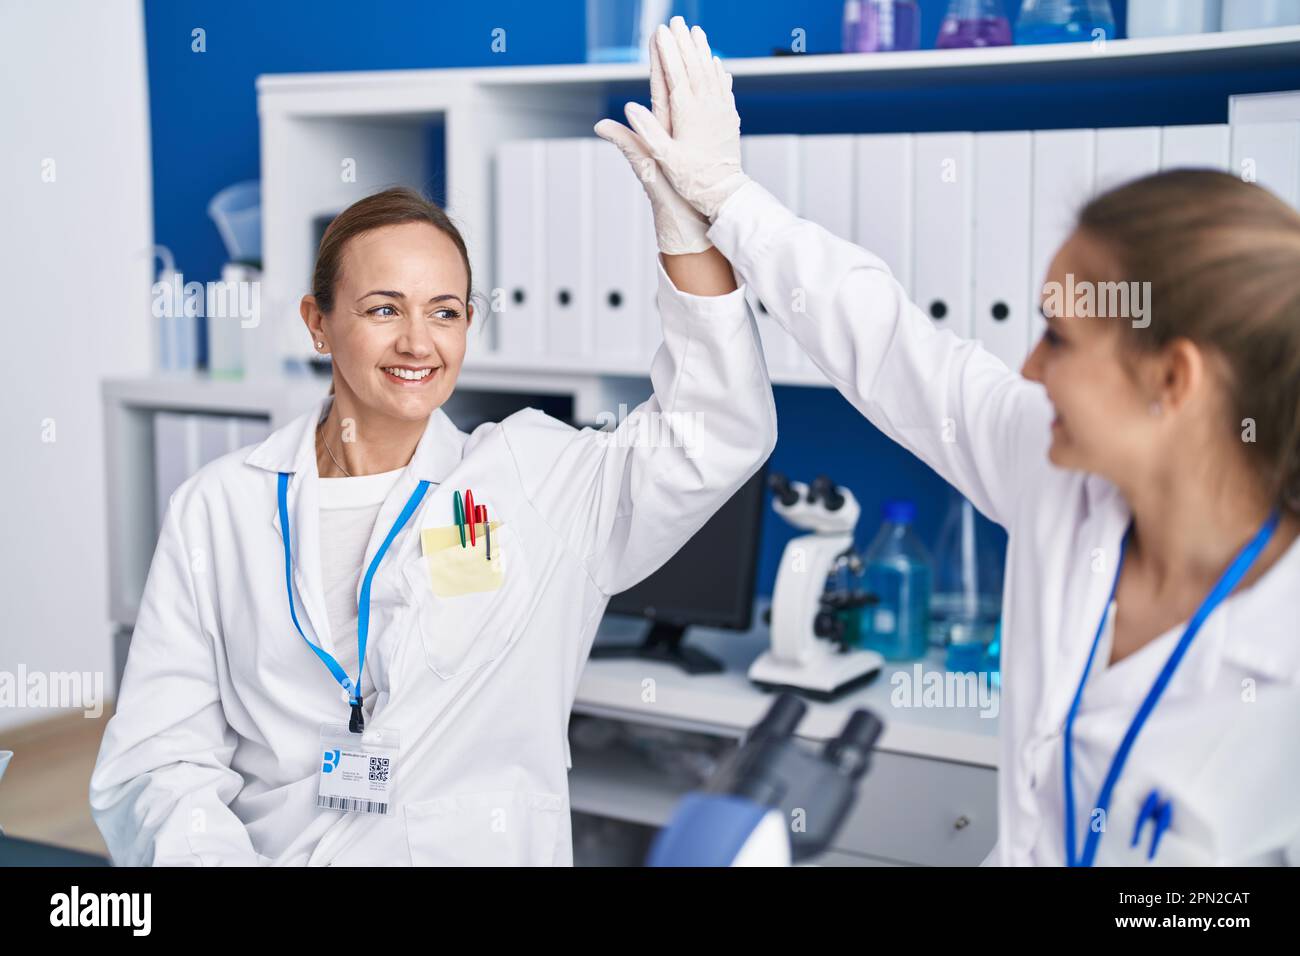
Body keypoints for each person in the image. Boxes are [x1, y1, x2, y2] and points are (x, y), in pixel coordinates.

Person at [595, 16, 1300, 865]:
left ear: (1173, 380)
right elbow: (893, 347)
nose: (1030, 369)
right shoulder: (1057, 477)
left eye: (1061, 338)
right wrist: (724, 197)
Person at [90, 90, 777, 864]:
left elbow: (717, 433)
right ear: (317, 322)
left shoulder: (530, 480)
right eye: (384, 309)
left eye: (445, 312)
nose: (418, 341)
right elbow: (157, 758)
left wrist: (689, 232)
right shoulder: (218, 507)